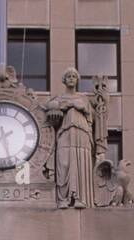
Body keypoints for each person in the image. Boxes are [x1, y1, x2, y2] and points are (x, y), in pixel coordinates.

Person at [45, 69, 96, 208]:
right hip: (64, 133)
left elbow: (92, 117)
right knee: (64, 163)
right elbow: (48, 112)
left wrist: (83, 107)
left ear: (77, 80)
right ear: (64, 80)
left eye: (74, 76)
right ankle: (63, 198)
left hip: (81, 133)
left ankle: (80, 198)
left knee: (79, 164)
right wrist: (64, 106)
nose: (71, 78)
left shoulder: (84, 98)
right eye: (68, 76)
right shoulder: (58, 99)